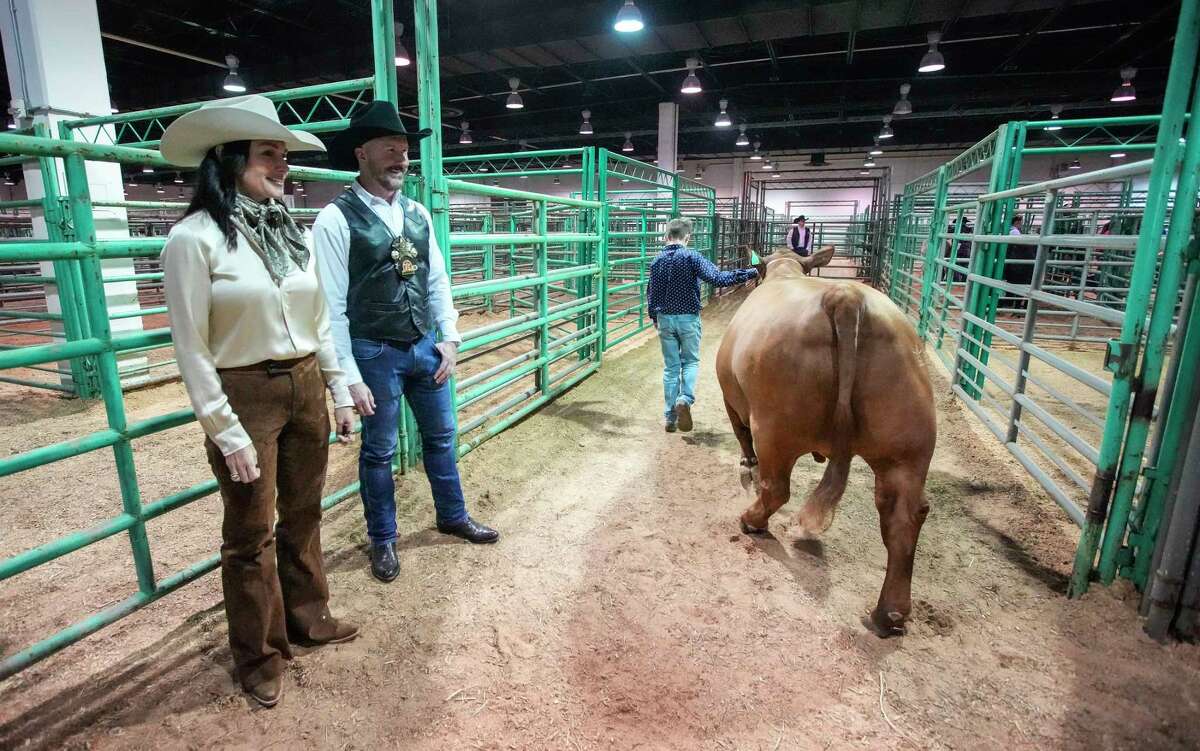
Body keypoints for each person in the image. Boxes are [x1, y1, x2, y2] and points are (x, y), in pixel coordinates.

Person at [160, 95, 359, 708]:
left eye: (282, 155)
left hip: (302, 384)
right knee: (249, 531)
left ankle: (308, 615)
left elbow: (318, 319)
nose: (282, 166)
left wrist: (337, 384)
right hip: (244, 393)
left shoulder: (285, 233)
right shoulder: (193, 241)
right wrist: (225, 428)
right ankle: (259, 652)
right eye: (269, 154)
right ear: (229, 160)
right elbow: (191, 347)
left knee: (304, 512)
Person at [313, 101, 499, 586]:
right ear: (362, 154)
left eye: (404, 149)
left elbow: (437, 279)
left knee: (441, 438)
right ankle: (383, 539)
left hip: (424, 346)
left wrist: (451, 338)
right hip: (373, 351)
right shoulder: (335, 219)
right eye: (390, 149)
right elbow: (330, 306)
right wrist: (346, 379)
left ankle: (452, 515)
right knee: (378, 451)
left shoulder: (417, 213)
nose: (401, 158)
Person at [648, 218, 758, 433]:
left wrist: (654, 317)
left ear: (666, 237)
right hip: (688, 318)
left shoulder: (657, 261)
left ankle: (669, 416)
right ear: (687, 237)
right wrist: (751, 272)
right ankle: (685, 399)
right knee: (690, 362)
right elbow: (717, 278)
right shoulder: (692, 257)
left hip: (664, 319)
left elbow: (651, 293)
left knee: (671, 368)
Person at [1001, 214, 1032, 310]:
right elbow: (1020, 245)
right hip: (1015, 260)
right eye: (1020, 222)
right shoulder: (1015, 232)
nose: (1021, 224)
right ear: (1017, 222)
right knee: (1018, 282)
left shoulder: (1006, 230)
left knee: (1010, 281)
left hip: (1008, 258)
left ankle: (1007, 301)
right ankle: (1012, 302)